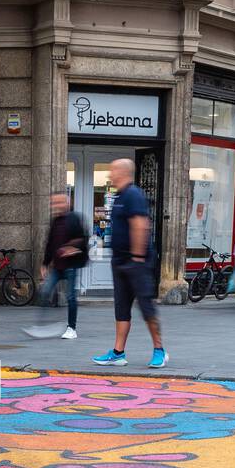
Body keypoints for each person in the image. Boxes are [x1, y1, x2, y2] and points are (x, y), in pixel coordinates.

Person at [92, 158, 166, 369]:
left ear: (123, 172)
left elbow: (140, 225)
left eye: (113, 170)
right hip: (121, 261)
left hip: (137, 262)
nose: (109, 174)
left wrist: (137, 257)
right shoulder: (118, 196)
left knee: (146, 307)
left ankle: (159, 349)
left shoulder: (133, 194)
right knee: (121, 308)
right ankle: (118, 352)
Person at [26, 191, 87, 340]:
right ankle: (40, 326)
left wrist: (73, 248)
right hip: (57, 266)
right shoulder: (55, 221)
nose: (56, 206)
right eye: (54, 203)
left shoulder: (75, 218)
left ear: (67, 203)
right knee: (45, 292)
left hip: (71, 265)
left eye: (59, 202)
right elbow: (50, 243)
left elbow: (83, 238)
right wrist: (45, 263)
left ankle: (71, 328)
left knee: (71, 297)